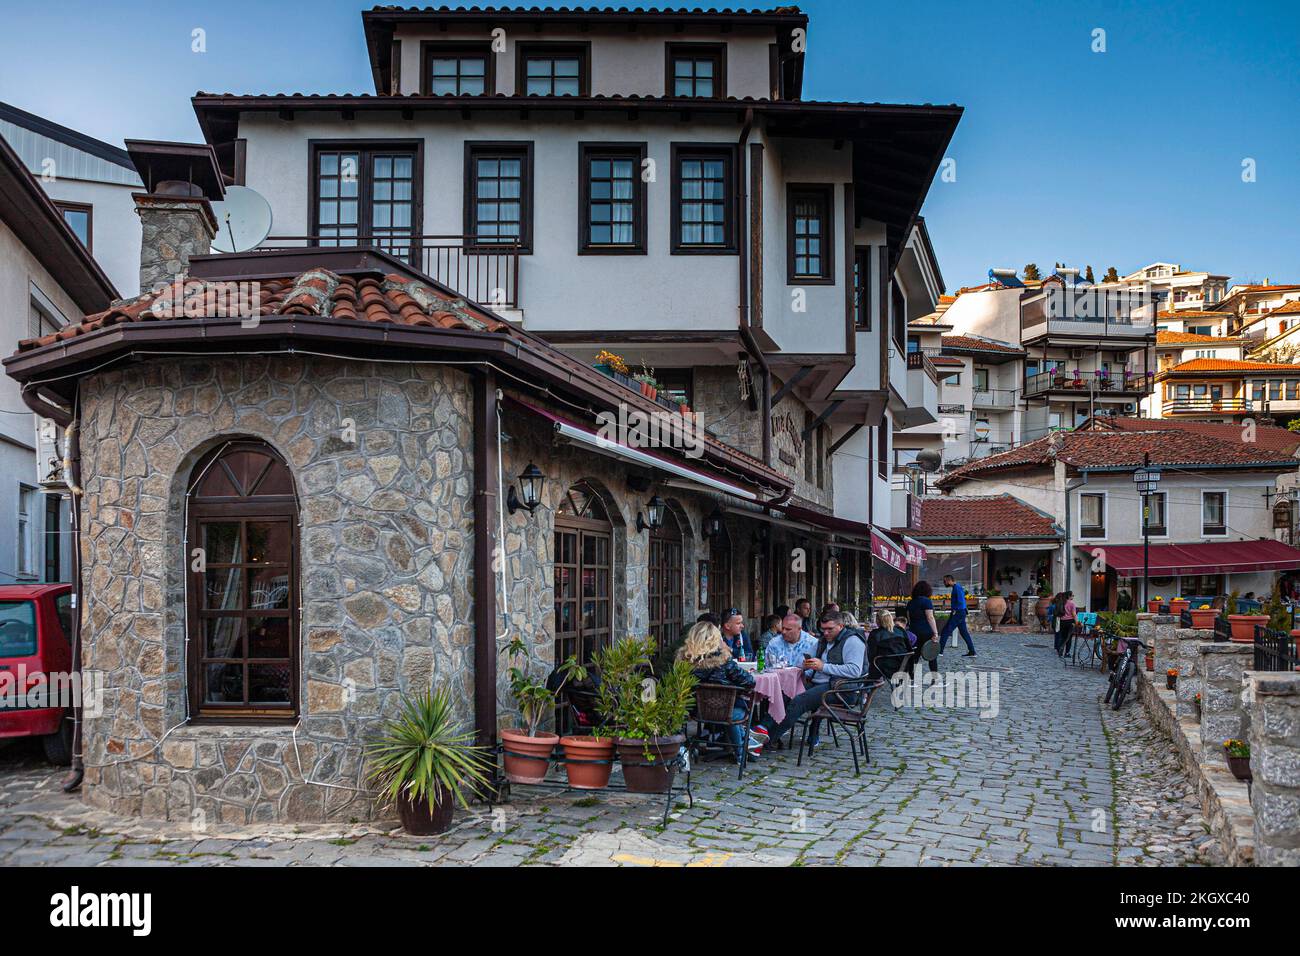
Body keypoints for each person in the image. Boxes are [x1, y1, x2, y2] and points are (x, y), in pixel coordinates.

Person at [751, 610, 866, 752]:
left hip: (841, 688)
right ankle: (762, 729)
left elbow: (855, 671)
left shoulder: (852, 641)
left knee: (798, 702)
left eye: (830, 629)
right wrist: (805, 664)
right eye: (823, 629)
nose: (826, 633)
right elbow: (803, 660)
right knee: (786, 691)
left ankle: (766, 740)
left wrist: (823, 667)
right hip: (820, 683)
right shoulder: (824, 640)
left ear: (841, 626)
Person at [676, 621, 764, 761]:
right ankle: (742, 749)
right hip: (726, 712)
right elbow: (749, 681)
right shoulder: (724, 662)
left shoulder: (684, 662)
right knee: (734, 709)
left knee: (730, 707)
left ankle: (744, 744)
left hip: (698, 711)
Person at [905, 580, 940, 676]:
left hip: (913, 632)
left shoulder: (910, 603)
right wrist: (935, 633)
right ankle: (935, 678)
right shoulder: (926, 601)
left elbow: (908, 619)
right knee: (931, 656)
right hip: (926, 631)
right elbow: (930, 617)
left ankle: (911, 678)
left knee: (914, 656)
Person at [867, 610, 913, 682]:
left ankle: (866, 689)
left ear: (878, 621)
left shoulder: (875, 634)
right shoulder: (900, 630)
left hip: (885, 668)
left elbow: (871, 654)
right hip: (903, 666)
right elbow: (909, 648)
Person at [939, 574, 976, 657]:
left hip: (958, 613)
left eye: (945, 581)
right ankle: (972, 651)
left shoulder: (957, 588)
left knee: (945, 631)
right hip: (960, 612)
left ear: (949, 580)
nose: (944, 583)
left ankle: (939, 651)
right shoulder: (957, 587)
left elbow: (960, 601)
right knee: (964, 633)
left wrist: (955, 611)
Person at [1055, 590, 1077, 657]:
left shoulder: (1062, 602)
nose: (1073, 596)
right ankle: (1067, 653)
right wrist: (1077, 622)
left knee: (1062, 637)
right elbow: (1073, 614)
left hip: (1062, 621)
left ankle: (1060, 650)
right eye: (1072, 595)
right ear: (1069, 596)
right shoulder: (1072, 604)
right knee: (1069, 638)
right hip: (1070, 622)